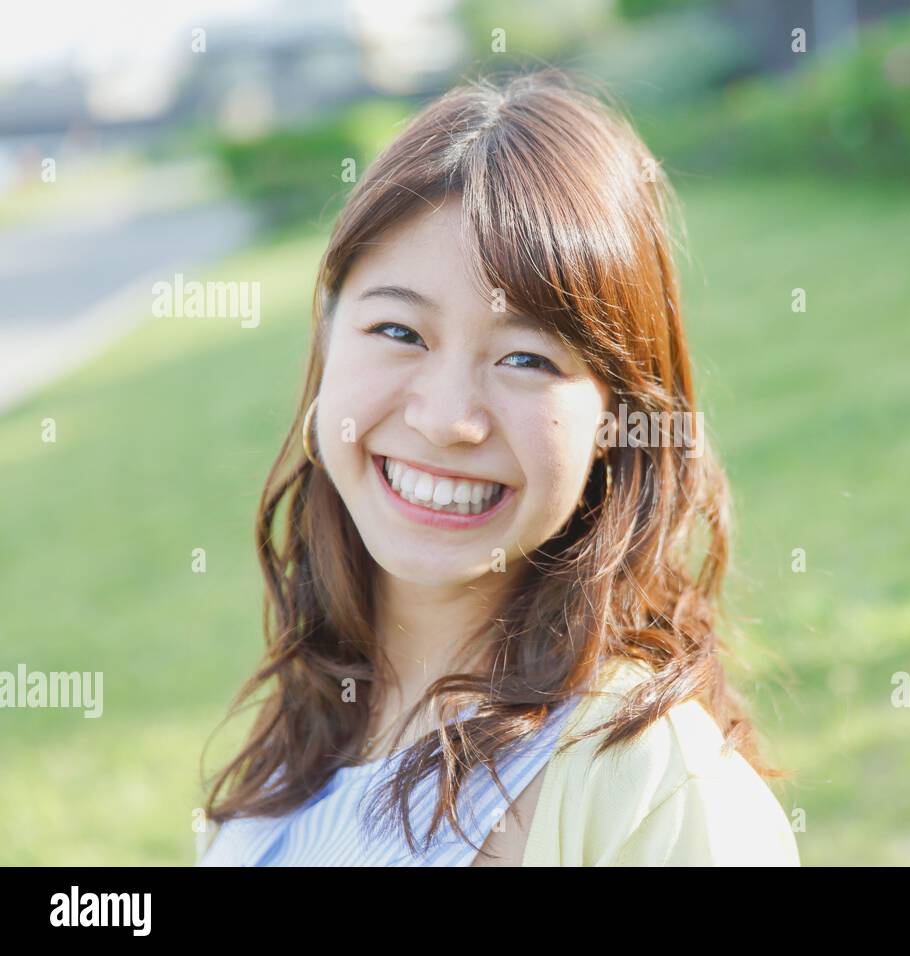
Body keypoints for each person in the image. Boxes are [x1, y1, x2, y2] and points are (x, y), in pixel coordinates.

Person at [197, 68, 800, 866]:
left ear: (617, 421)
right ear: (326, 344)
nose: (447, 420)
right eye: (400, 332)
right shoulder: (296, 746)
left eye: (526, 357)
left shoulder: (652, 781)